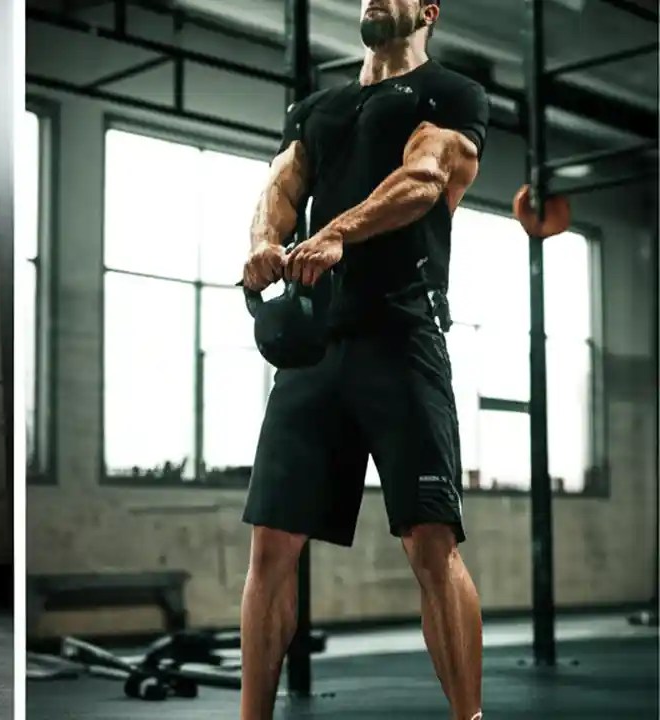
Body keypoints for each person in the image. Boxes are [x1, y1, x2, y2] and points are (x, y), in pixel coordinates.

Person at [239, 2, 487, 719]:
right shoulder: (318, 104)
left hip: (402, 335)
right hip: (318, 348)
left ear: (429, 9)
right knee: (271, 547)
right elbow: (283, 185)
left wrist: (338, 232)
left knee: (430, 542)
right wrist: (264, 240)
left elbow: (426, 177)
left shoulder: (451, 94)